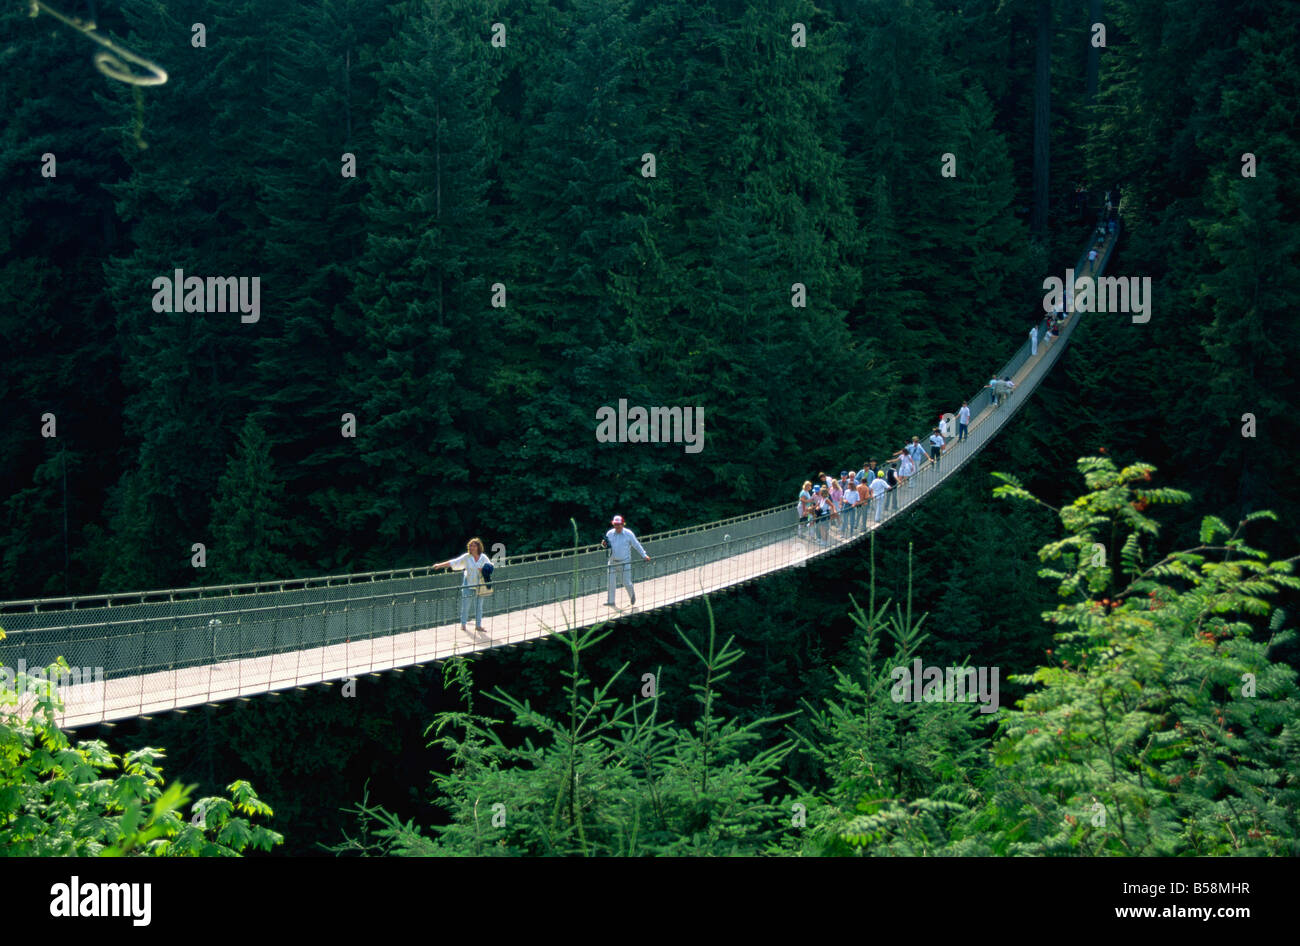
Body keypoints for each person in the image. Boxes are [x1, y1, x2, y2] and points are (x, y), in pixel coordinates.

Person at [435, 537, 493, 634]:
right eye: (470, 546)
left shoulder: (483, 557)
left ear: (478, 547)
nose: (472, 548)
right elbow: (454, 562)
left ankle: (478, 626)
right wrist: (440, 565)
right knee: (466, 605)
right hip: (468, 584)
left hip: (480, 584)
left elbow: (491, 567)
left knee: (479, 606)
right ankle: (463, 625)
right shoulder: (467, 557)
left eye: (474, 546)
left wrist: (483, 569)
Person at [602, 515, 650, 608]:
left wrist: (644, 555)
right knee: (611, 582)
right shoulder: (609, 533)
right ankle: (611, 601)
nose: (617, 527)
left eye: (619, 525)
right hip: (611, 561)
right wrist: (603, 544)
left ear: (623, 524)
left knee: (626, 582)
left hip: (625, 562)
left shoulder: (629, 534)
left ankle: (632, 595)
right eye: (615, 525)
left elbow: (636, 545)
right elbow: (606, 546)